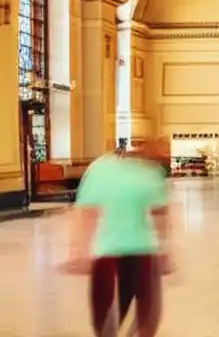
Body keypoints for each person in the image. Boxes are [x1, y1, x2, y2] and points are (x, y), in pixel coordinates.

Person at [63, 144, 173, 337]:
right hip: (144, 253)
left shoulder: (99, 169)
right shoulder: (150, 172)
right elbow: (160, 215)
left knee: (105, 320)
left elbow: (85, 213)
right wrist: (165, 252)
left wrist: (78, 252)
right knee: (146, 318)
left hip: (107, 254)